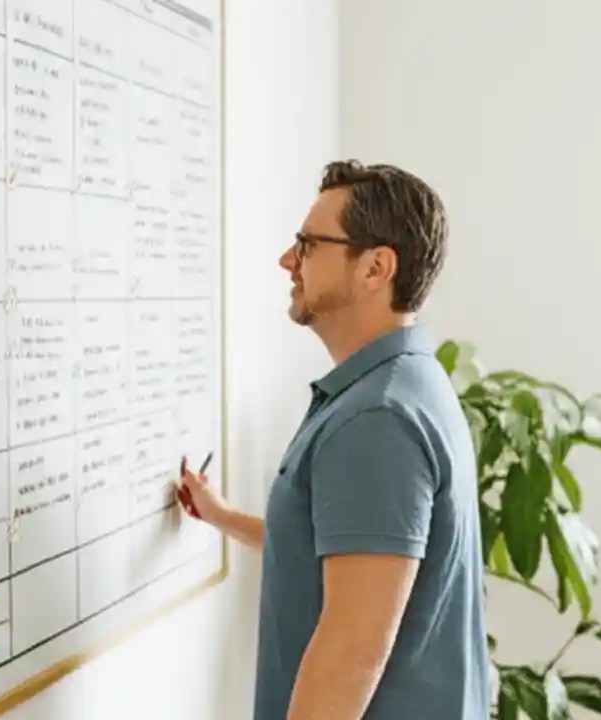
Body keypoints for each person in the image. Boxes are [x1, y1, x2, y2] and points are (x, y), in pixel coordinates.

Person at [177, 160, 491, 719]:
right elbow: (345, 547)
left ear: (376, 267)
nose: (287, 260)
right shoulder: (407, 381)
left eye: (308, 244)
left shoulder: (377, 419)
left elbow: (352, 653)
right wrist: (221, 516)